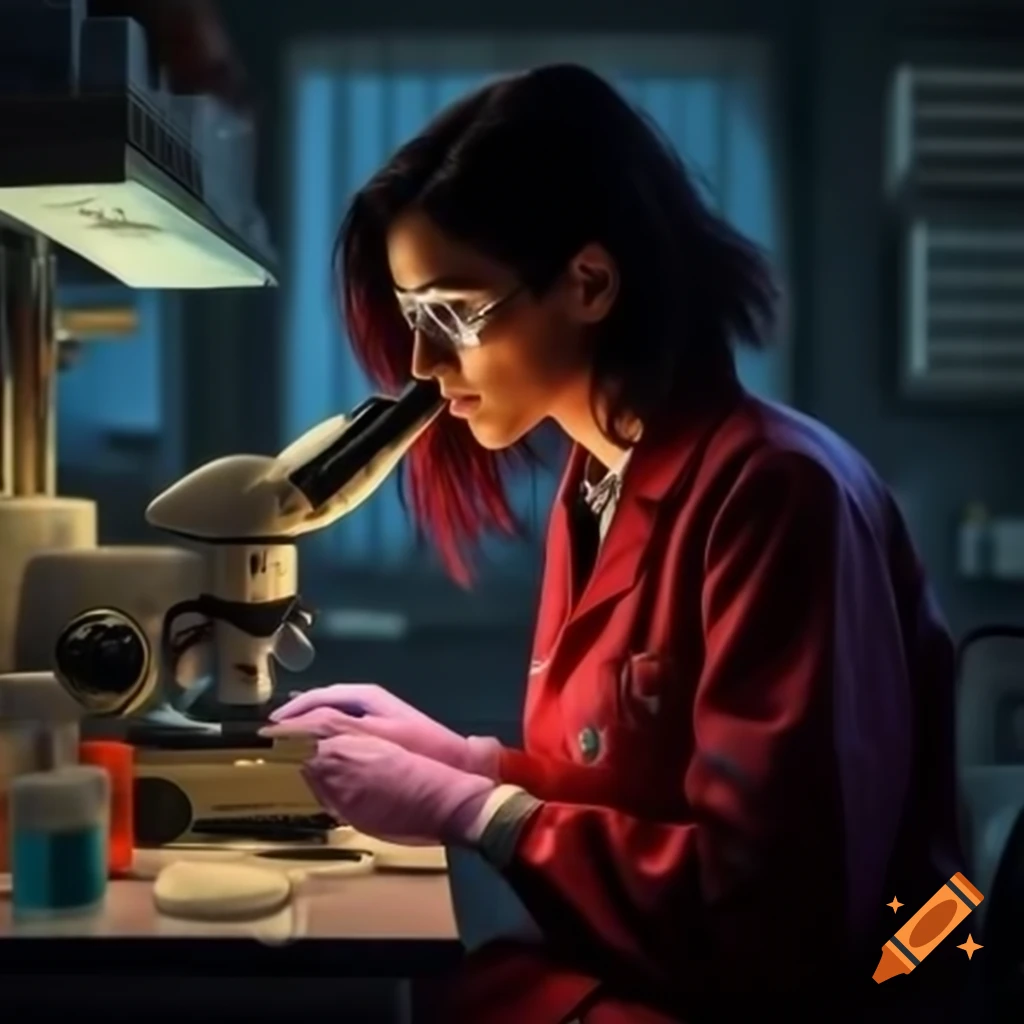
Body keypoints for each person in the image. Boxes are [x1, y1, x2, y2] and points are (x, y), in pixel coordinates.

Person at [262, 65, 966, 1023]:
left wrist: (470, 811)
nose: (423, 367)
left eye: (451, 316)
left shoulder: (778, 494)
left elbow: (775, 918)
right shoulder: (598, 482)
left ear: (589, 283)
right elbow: (637, 790)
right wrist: (473, 763)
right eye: (412, 318)